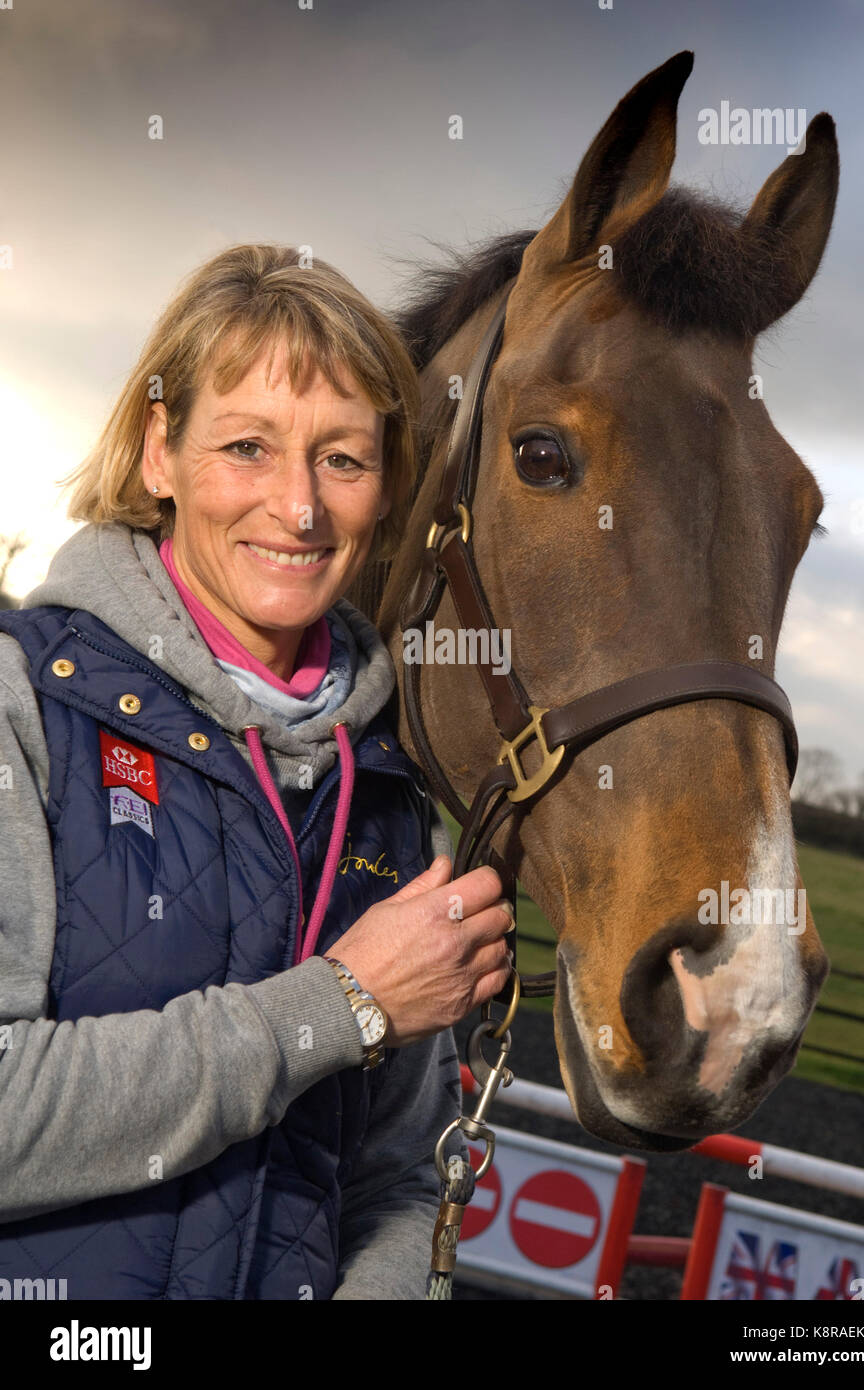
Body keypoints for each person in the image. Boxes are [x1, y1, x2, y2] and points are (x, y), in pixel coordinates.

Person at [0, 243, 514, 1299]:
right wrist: (340, 1001)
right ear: (160, 453)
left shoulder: (388, 789)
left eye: (344, 460)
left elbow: (398, 1177)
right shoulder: (24, 706)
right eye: (247, 446)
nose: (299, 507)